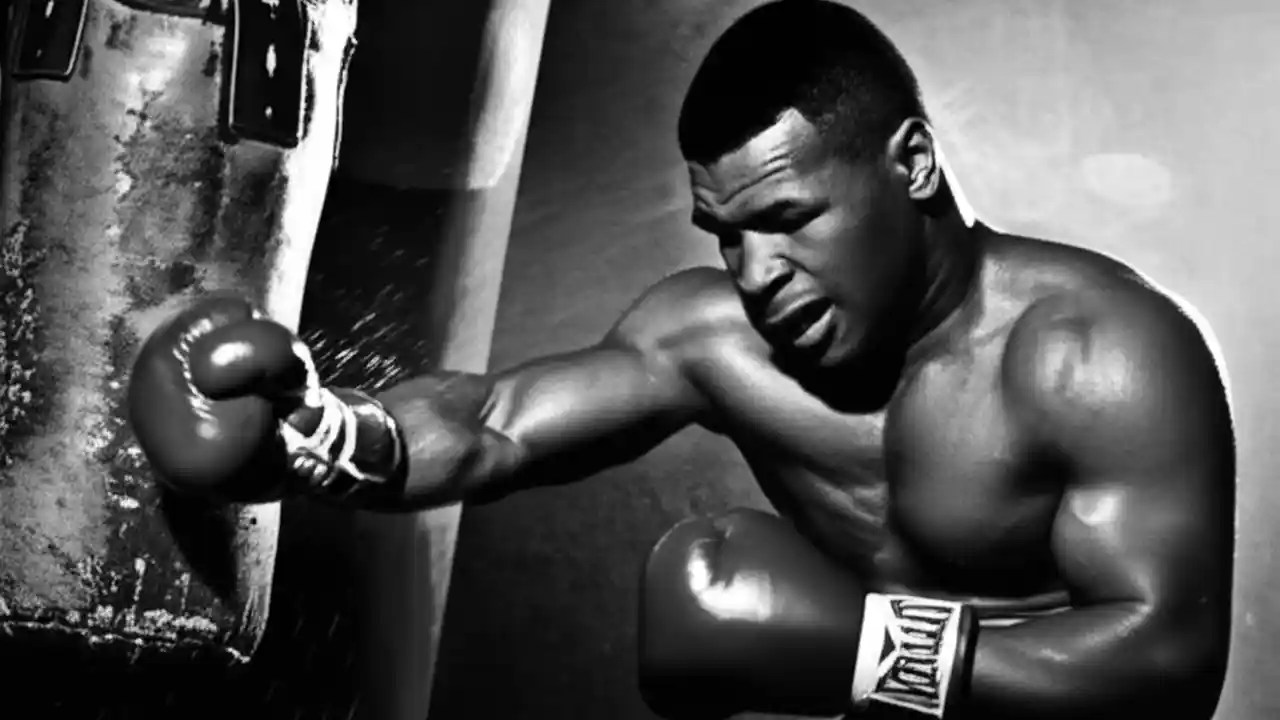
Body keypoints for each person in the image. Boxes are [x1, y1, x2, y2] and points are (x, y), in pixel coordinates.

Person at [127, 0, 1235, 717]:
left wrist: (856, 649)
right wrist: (319, 437)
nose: (757, 274)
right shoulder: (717, 337)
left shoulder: (1097, 355)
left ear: (910, 164)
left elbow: (1166, 666)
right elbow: (495, 424)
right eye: (725, 236)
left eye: (789, 219)